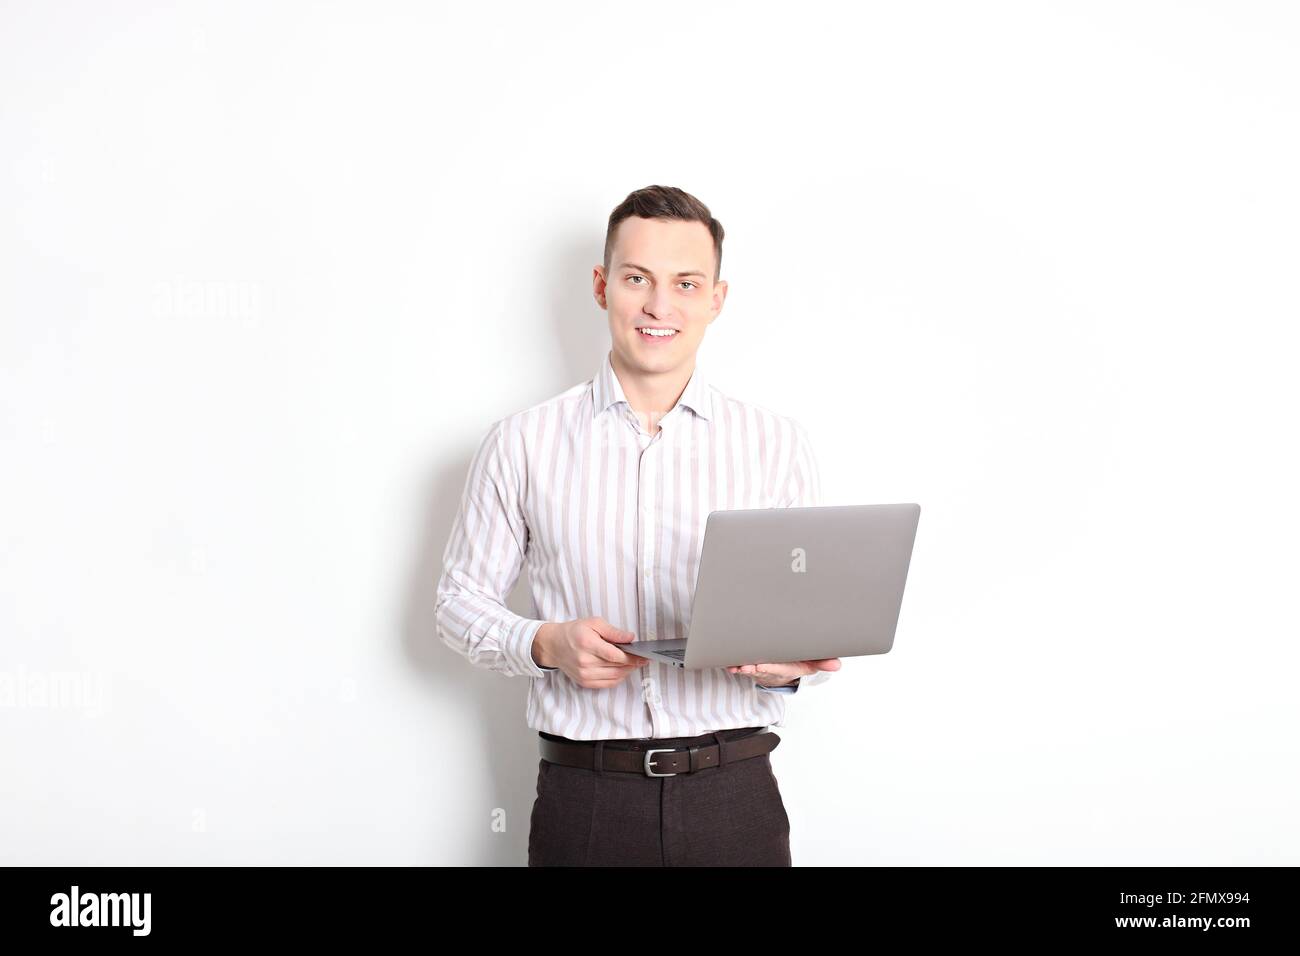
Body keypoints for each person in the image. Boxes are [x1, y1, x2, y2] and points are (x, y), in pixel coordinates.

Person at [434, 184, 840, 866]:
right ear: (602, 286)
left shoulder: (774, 444)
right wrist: (542, 642)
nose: (659, 305)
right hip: (585, 802)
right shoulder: (522, 442)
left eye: (685, 282)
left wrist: (785, 668)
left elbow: (806, 636)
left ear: (716, 298)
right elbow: (456, 604)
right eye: (637, 279)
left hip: (734, 797)